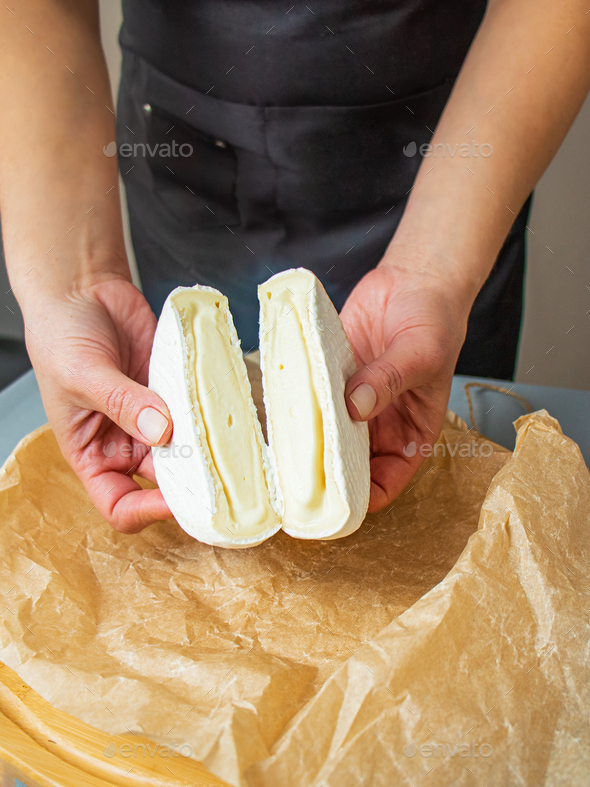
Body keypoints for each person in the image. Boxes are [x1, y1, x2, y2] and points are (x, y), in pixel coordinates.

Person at [1, 1, 589, 532]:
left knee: (432, 480)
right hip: (190, 157)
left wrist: (432, 275)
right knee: (186, 415)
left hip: (452, 168)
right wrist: (76, 282)